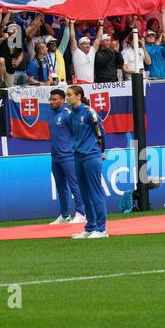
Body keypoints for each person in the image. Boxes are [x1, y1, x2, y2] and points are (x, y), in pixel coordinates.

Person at [67, 84, 109, 239]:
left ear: (78, 96)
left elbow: (100, 132)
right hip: (78, 157)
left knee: (95, 192)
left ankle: (102, 229)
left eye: (69, 95)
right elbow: (74, 135)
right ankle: (90, 227)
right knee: (84, 194)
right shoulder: (71, 115)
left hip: (91, 156)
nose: (67, 98)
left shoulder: (89, 111)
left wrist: (102, 151)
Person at [44, 88, 83, 225]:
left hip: (68, 156)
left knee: (74, 185)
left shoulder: (68, 114)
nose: (52, 102)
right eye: (51, 99)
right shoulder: (51, 116)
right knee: (61, 187)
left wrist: (75, 149)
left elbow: (77, 132)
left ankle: (81, 213)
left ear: (62, 100)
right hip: (55, 157)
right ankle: (65, 215)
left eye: (55, 99)